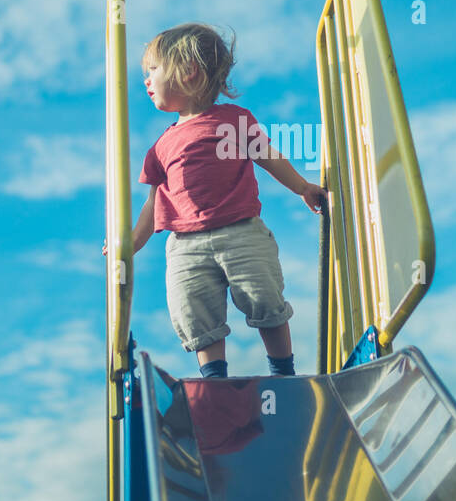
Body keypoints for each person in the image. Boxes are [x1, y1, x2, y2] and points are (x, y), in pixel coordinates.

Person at [124, 22, 324, 379]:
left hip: (240, 232)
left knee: (265, 298)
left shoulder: (232, 121)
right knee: (194, 310)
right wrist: (130, 244)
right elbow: (153, 204)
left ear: (188, 72)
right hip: (186, 245)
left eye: (153, 69)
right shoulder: (160, 146)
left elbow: (268, 155)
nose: (146, 80)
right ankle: (214, 379)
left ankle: (283, 372)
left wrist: (301, 187)